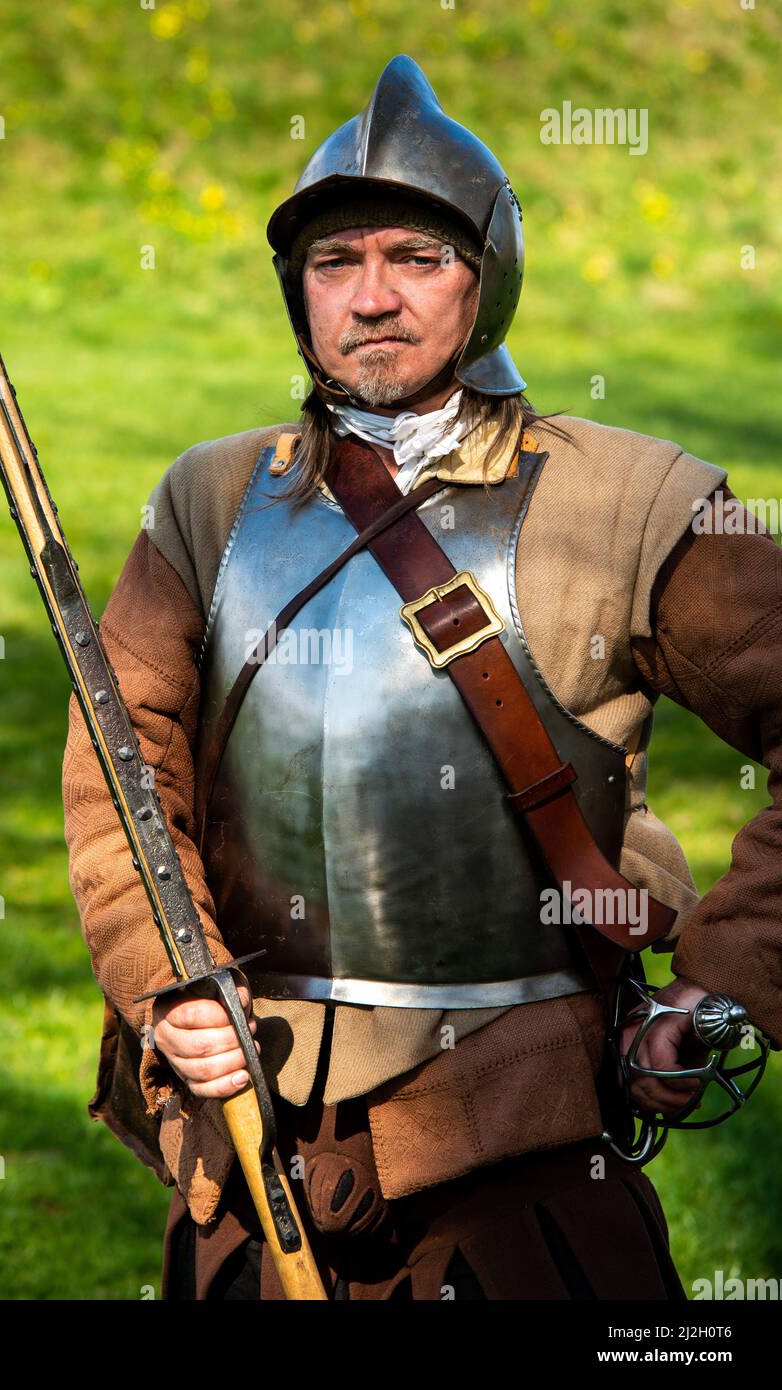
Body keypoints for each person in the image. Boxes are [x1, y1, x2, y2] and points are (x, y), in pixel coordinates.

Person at [62, 55, 782, 1300]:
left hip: (519, 1138)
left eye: (418, 258)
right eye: (336, 264)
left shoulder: (636, 497)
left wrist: (721, 988)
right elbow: (122, 762)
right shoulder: (210, 499)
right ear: (297, 291)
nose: (372, 298)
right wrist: (162, 980)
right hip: (258, 1131)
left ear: (488, 277)